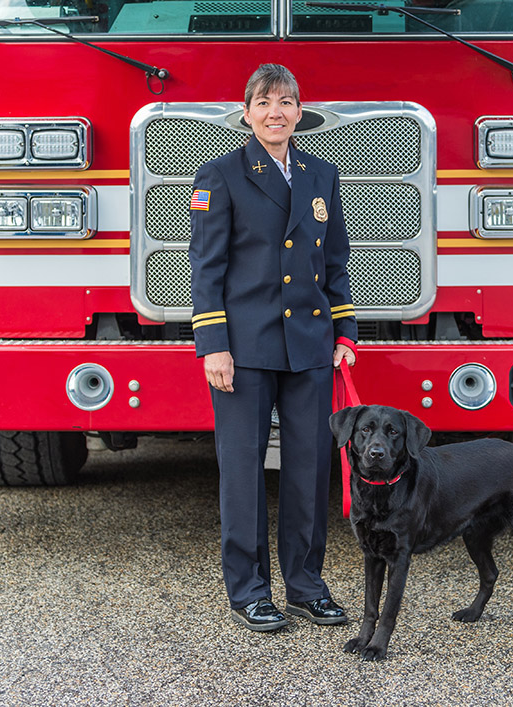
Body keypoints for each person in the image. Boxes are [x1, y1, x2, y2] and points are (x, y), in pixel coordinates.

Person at [189, 64, 357, 632]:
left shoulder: (321, 175)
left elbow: (335, 261)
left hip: (309, 346)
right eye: (264, 102)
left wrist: (344, 333)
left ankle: (306, 587)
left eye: (285, 102)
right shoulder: (221, 176)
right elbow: (206, 270)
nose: (276, 112)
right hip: (245, 348)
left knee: (309, 472)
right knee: (242, 472)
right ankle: (249, 590)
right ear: (246, 112)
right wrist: (213, 344)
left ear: (299, 111)